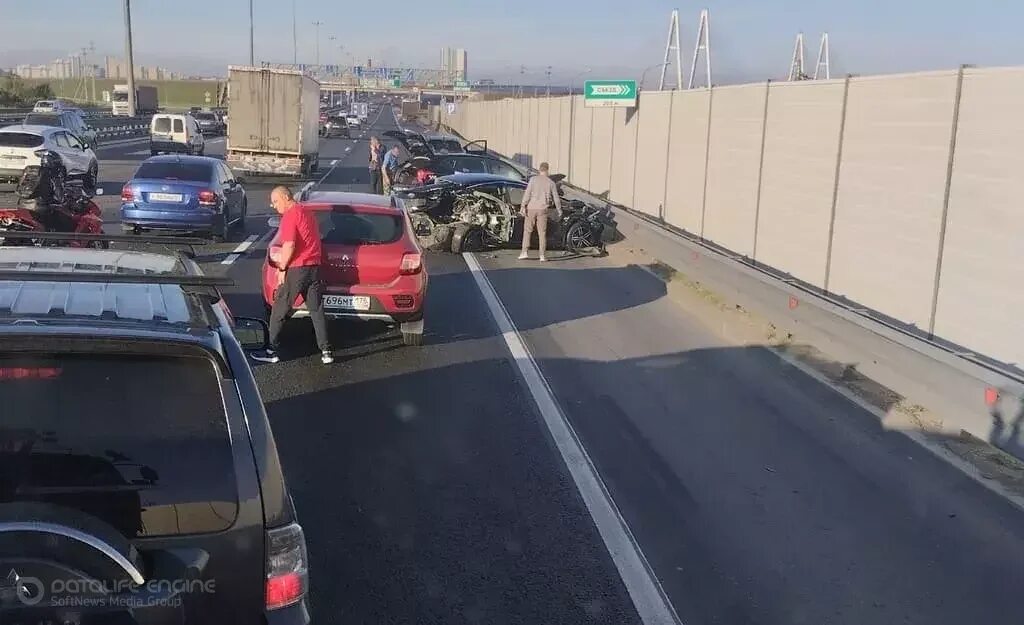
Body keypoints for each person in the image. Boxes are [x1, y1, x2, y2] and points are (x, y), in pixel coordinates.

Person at [251, 185, 333, 365]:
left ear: (286, 197)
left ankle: (271, 350)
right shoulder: (307, 212)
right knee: (317, 310)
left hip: (298, 268)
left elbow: (289, 245)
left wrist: (282, 268)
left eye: (275, 201)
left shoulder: (290, 215)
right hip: (314, 268)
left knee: (279, 308)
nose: (274, 206)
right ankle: (326, 351)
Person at [518, 162, 562, 261]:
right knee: (542, 233)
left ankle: (524, 252)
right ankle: (542, 255)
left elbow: (527, 194)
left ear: (539, 170)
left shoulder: (533, 180)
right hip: (543, 210)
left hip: (531, 208)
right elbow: (556, 198)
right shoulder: (551, 183)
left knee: (527, 231)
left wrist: (522, 206)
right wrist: (559, 210)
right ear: (547, 170)